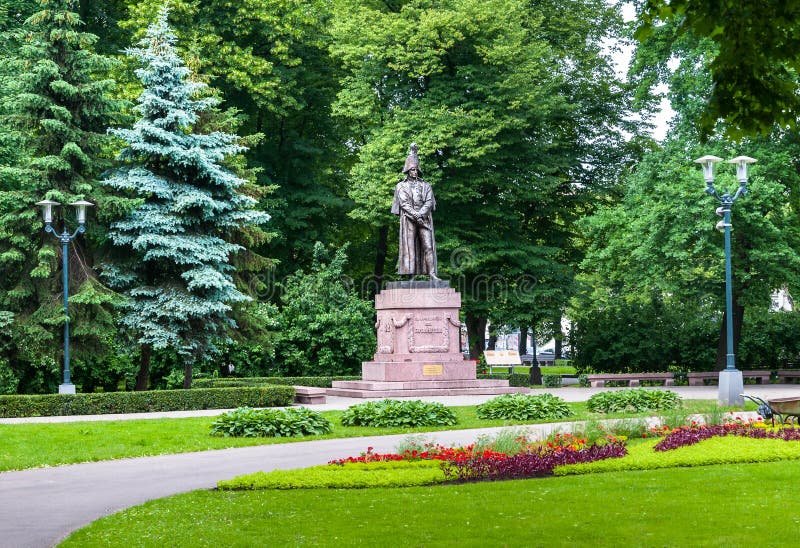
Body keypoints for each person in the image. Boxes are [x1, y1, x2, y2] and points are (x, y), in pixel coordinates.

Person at [391, 143, 439, 278]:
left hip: (424, 219)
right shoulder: (401, 186)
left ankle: (432, 274)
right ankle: (410, 275)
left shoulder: (426, 185)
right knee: (409, 247)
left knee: (428, 246)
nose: (415, 172)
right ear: (408, 170)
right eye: (412, 169)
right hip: (409, 219)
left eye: (416, 169)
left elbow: (429, 202)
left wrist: (421, 215)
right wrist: (416, 215)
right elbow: (404, 204)